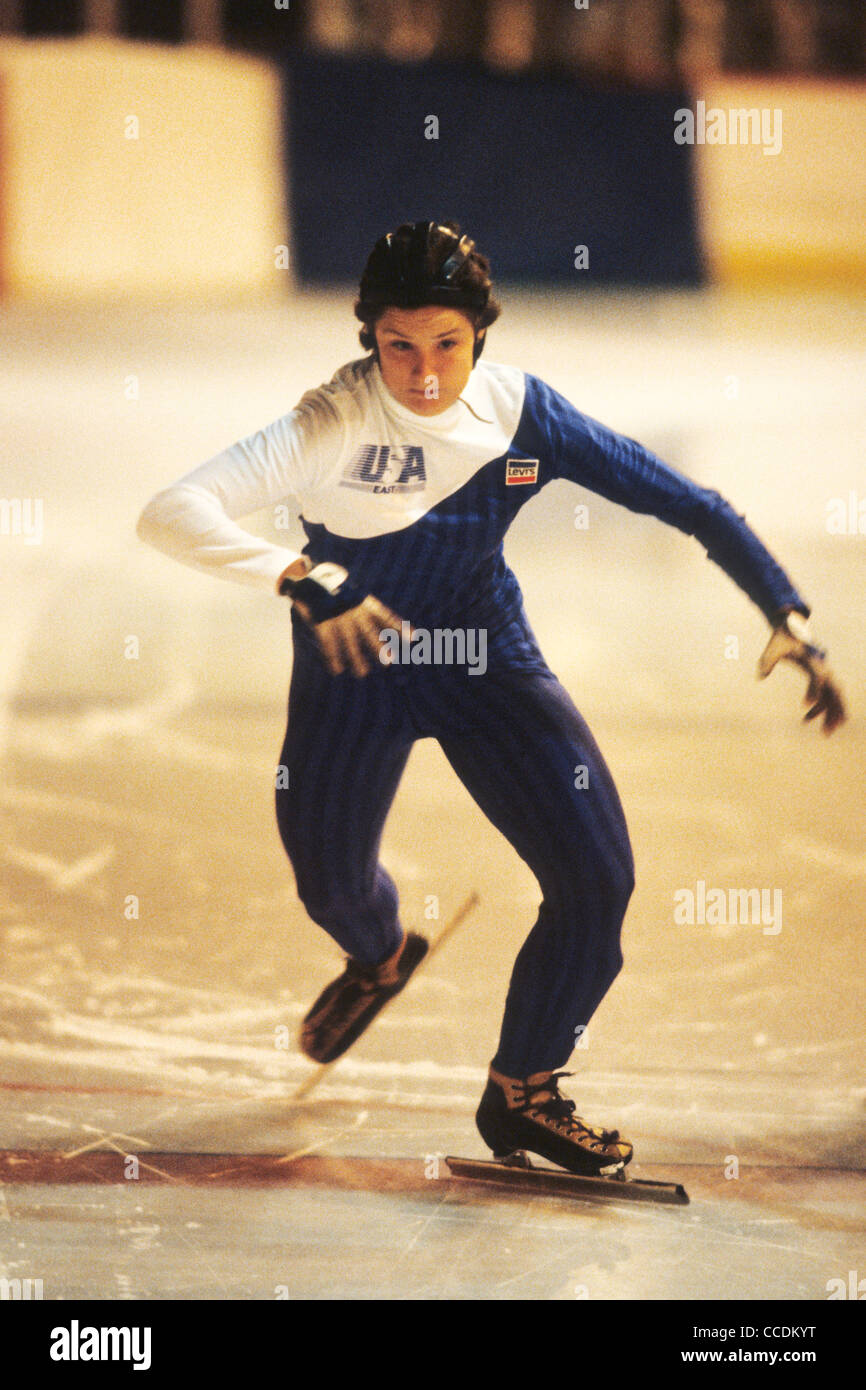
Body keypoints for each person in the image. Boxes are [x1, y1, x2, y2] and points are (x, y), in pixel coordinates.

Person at [137, 219, 846, 1178]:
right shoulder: (331, 421)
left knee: (598, 885)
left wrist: (784, 611)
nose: (424, 375)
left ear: (481, 336)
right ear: (367, 339)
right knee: (332, 889)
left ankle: (525, 1091)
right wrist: (298, 575)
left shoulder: (523, 416)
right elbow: (170, 510)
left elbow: (684, 500)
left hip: (487, 664)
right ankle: (382, 957)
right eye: (399, 347)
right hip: (354, 675)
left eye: (447, 346)